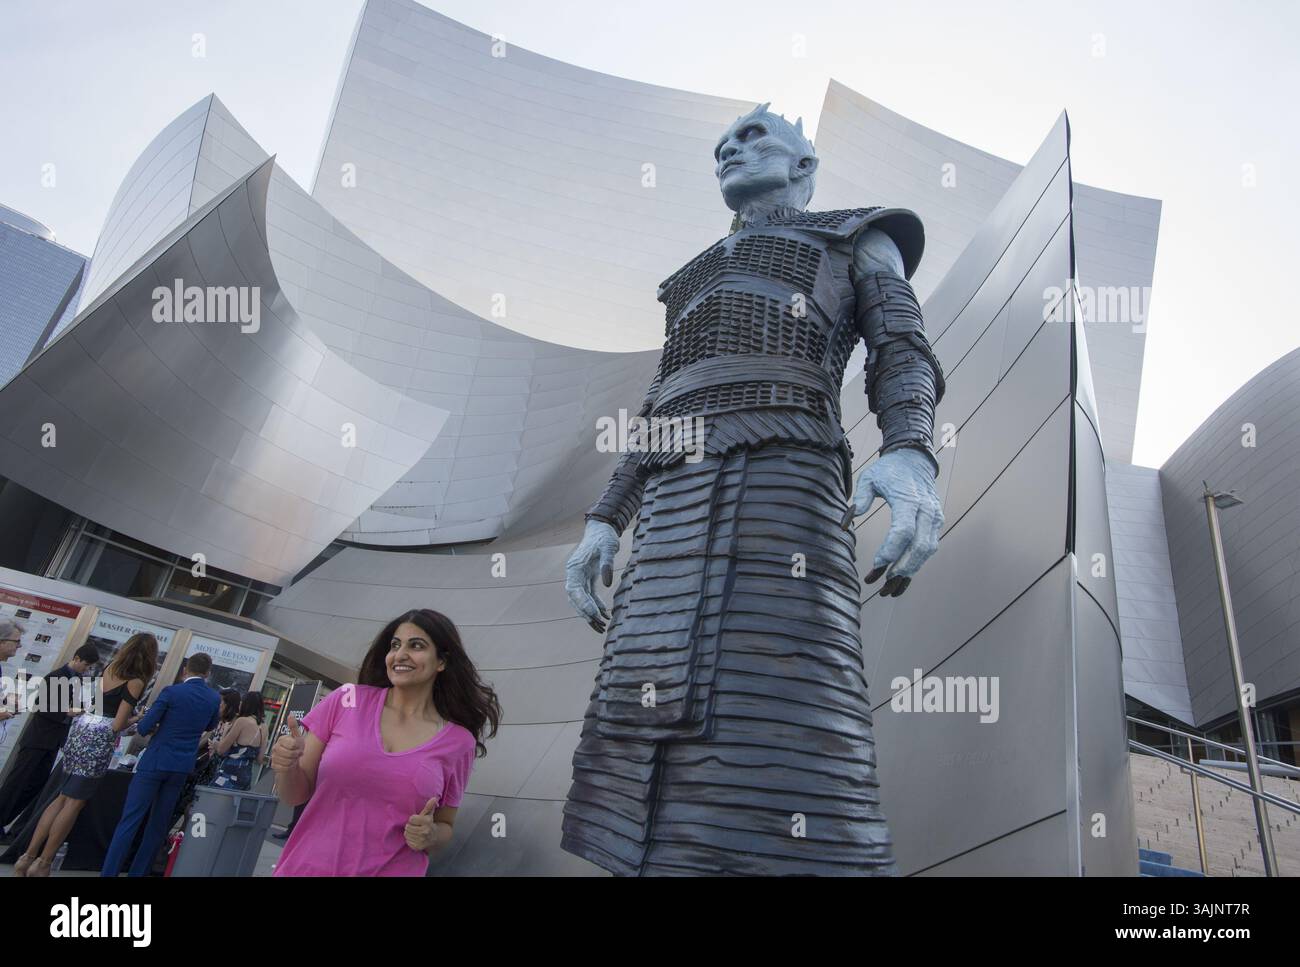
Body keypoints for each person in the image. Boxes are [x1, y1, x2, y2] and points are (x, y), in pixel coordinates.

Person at [270, 609, 500, 876]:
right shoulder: (347, 700)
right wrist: (286, 767)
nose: (400, 655)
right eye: (395, 645)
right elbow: (294, 795)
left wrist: (431, 835)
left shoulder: (459, 743)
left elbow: (445, 825)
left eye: (417, 645)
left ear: (442, 661)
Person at [13, 633, 156, 877]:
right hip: (99, 740)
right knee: (74, 803)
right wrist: (138, 718)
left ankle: (27, 857)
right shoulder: (135, 681)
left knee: (60, 797)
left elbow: (97, 705)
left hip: (81, 730)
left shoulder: (110, 668)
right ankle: (45, 863)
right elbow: (117, 724)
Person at [100, 652, 220, 877]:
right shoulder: (213, 698)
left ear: (186, 670)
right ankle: (139, 872)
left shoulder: (172, 692)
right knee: (158, 826)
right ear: (207, 673)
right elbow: (211, 724)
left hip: (155, 760)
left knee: (130, 820)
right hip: (181, 765)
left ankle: (110, 872)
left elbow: (144, 727)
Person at [0, 643, 100, 836]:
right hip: (39, 738)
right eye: (85, 665)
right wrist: (67, 712)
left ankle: (9, 822)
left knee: (37, 784)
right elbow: (41, 705)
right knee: (18, 781)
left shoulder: (78, 680)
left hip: (54, 741)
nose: (86, 670)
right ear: (77, 658)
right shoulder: (55, 676)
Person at [210, 691, 265, 790]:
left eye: (241, 702)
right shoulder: (263, 727)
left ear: (246, 704)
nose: (239, 704)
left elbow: (221, 750)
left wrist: (218, 739)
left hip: (228, 775)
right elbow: (260, 759)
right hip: (245, 777)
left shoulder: (242, 721)